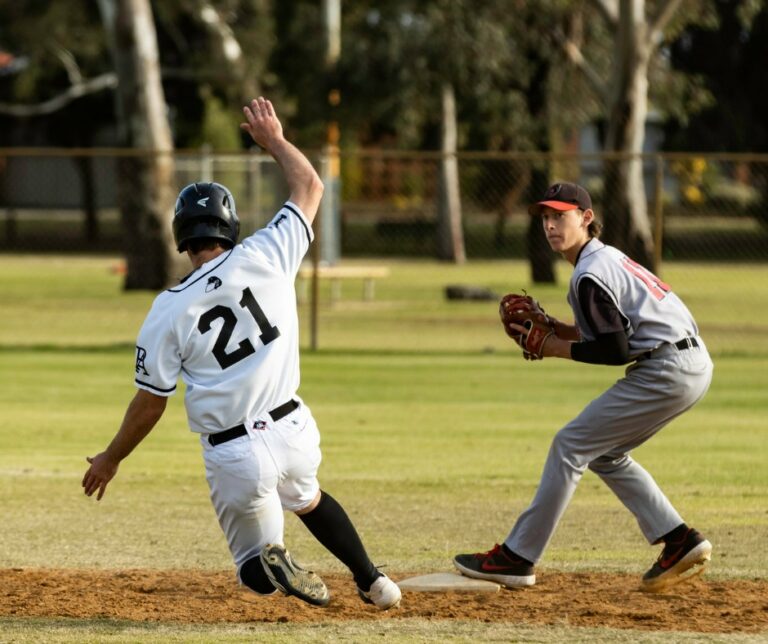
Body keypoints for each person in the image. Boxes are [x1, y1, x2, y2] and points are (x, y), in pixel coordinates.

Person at [82, 97, 401, 610]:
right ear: (228, 226)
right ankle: (374, 580)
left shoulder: (168, 309)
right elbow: (311, 186)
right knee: (310, 497)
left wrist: (111, 456)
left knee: (252, 572)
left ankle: (268, 558)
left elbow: (151, 401)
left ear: (183, 236)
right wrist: (273, 140)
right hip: (294, 428)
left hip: (233, 451)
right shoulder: (266, 253)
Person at [454, 182, 714, 592]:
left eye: (561, 216)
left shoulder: (589, 274)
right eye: (546, 218)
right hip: (686, 363)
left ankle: (517, 557)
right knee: (605, 455)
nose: (551, 225)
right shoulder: (604, 259)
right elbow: (612, 332)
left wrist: (551, 346)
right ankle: (678, 539)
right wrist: (557, 328)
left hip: (667, 367)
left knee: (569, 445)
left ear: (586, 218)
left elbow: (614, 349)